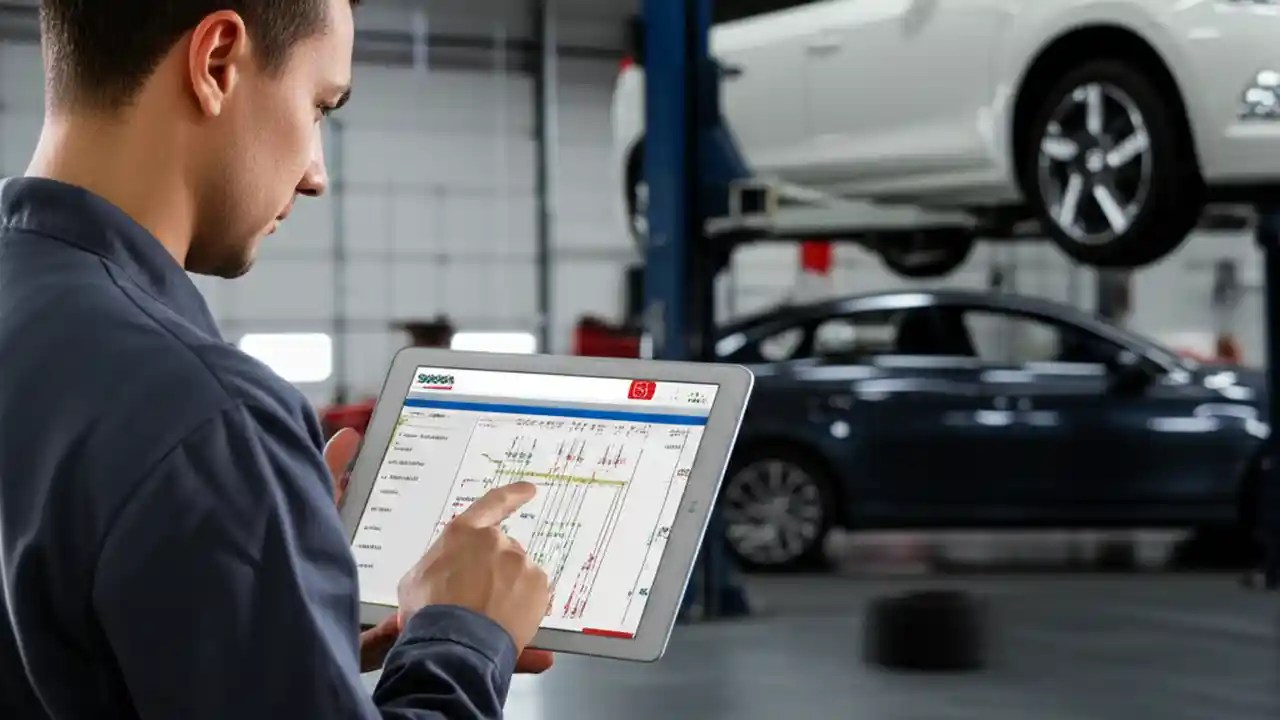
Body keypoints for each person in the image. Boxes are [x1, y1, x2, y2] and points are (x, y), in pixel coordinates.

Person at [0, 1, 554, 717]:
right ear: (217, 62)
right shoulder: (205, 416)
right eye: (321, 105)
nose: (315, 174)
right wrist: (463, 638)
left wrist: (281, 627)